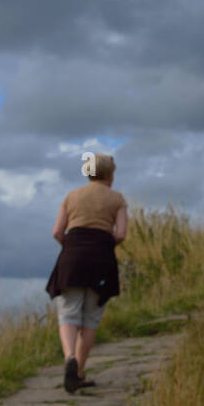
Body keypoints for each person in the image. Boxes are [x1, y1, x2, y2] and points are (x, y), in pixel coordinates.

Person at [46, 152, 128, 392]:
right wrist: (102, 245)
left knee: (69, 315)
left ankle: (69, 357)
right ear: (110, 175)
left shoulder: (71, 196)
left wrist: (72, 248)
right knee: (90, 318)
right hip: (101, 259)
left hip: (71, 258)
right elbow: (121, 234)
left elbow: (57, 232)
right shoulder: (117, 198)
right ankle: (78, 372)